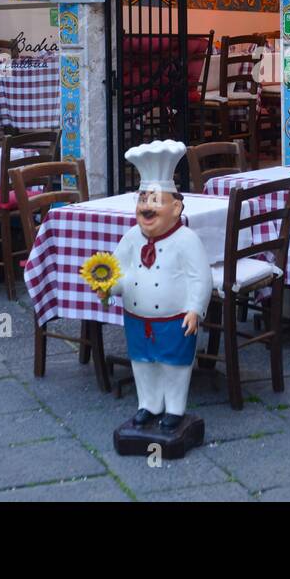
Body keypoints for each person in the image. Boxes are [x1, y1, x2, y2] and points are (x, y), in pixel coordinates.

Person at [110, 140, 209, 433]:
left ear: (176, 207)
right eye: (142, 200)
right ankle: (149, 405)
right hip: (137, 319)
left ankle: (175, 409)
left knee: (175, 366)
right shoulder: (131, 237)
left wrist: (195, 309)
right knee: (142, 363)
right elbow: (116, 269)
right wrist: (108, 285)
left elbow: (200, 277)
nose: (146, 207)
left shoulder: (186, 240)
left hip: (174, 320)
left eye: (155, 200)